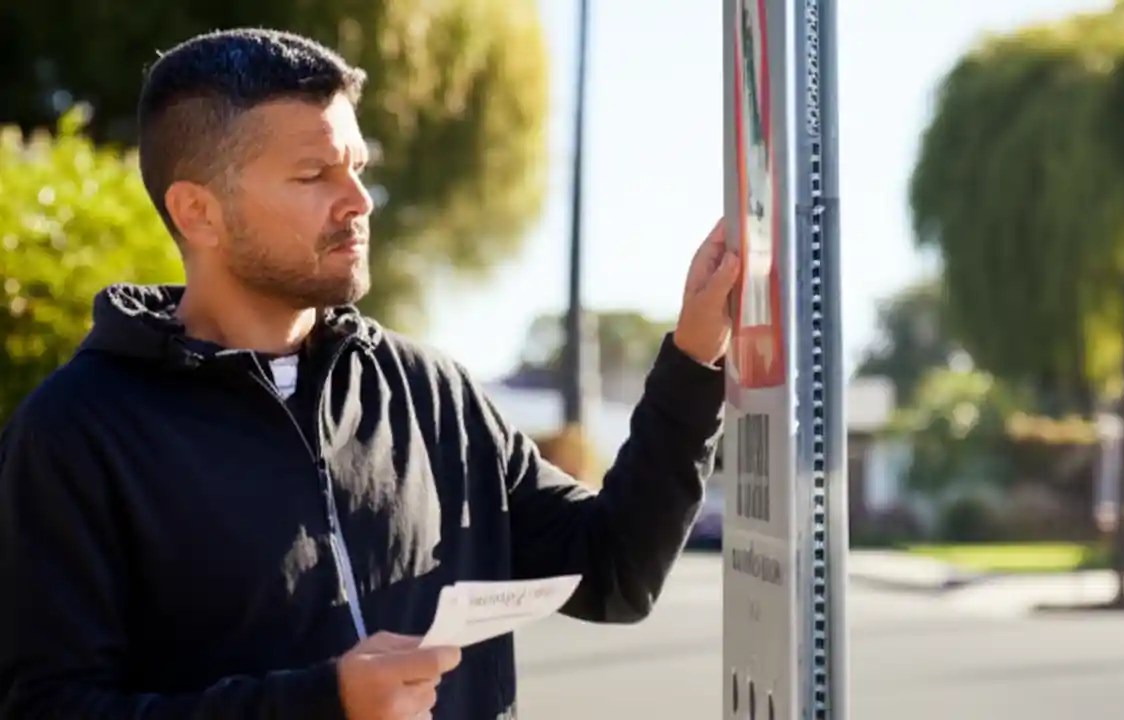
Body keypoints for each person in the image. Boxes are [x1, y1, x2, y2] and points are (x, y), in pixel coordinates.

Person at [0, 28, 739, 720]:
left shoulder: (431, 393)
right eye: (314, 174)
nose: (357, 203)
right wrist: (324, 704)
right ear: (198, 212)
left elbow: (614, 573)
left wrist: (695, 358)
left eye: (357, 168)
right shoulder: (75, 435)